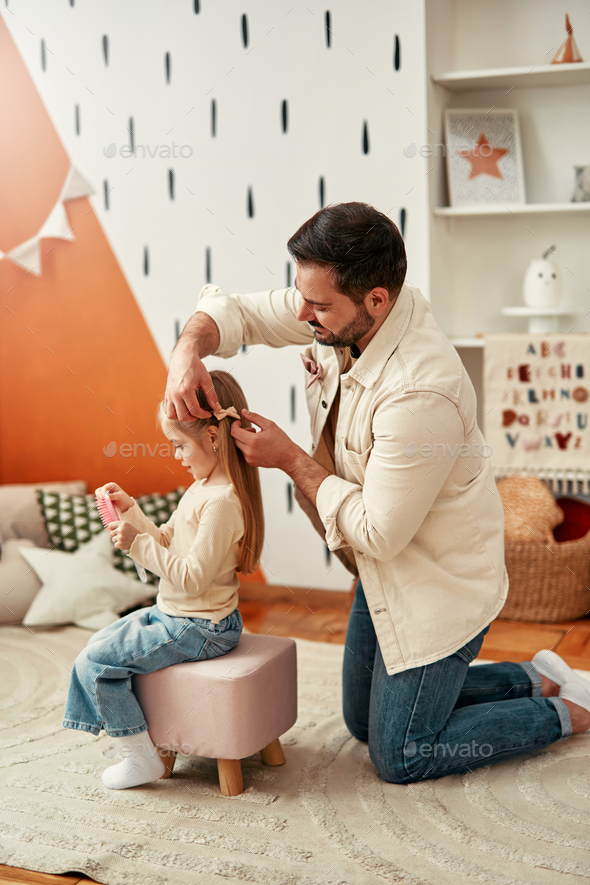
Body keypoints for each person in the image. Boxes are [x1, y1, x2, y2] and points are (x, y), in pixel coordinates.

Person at [164, 201, 590, 784]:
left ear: (376, 300)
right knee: (361, 721)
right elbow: (238, 313)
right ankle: (533, 675)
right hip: (382, 570)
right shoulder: (343, 308)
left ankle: (565, 711)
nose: (304, 314)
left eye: (318, 306)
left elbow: (380, 534)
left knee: (401, 753)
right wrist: (187, 350)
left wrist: (289, 459)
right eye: (303, 298)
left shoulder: (421, 390)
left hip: (436, 579)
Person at [62, 370, 264, 789]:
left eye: (180, 446)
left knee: (97, 664)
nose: (177, 456)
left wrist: (138, 545)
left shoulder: (223, 503)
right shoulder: (202, 487)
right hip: (177, 615)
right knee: (96, 646)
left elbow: (190, 577)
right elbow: (167, 541)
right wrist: (132, 512)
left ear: (212, 437)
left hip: (200, 627)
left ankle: (139, 756)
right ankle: (130, 739)